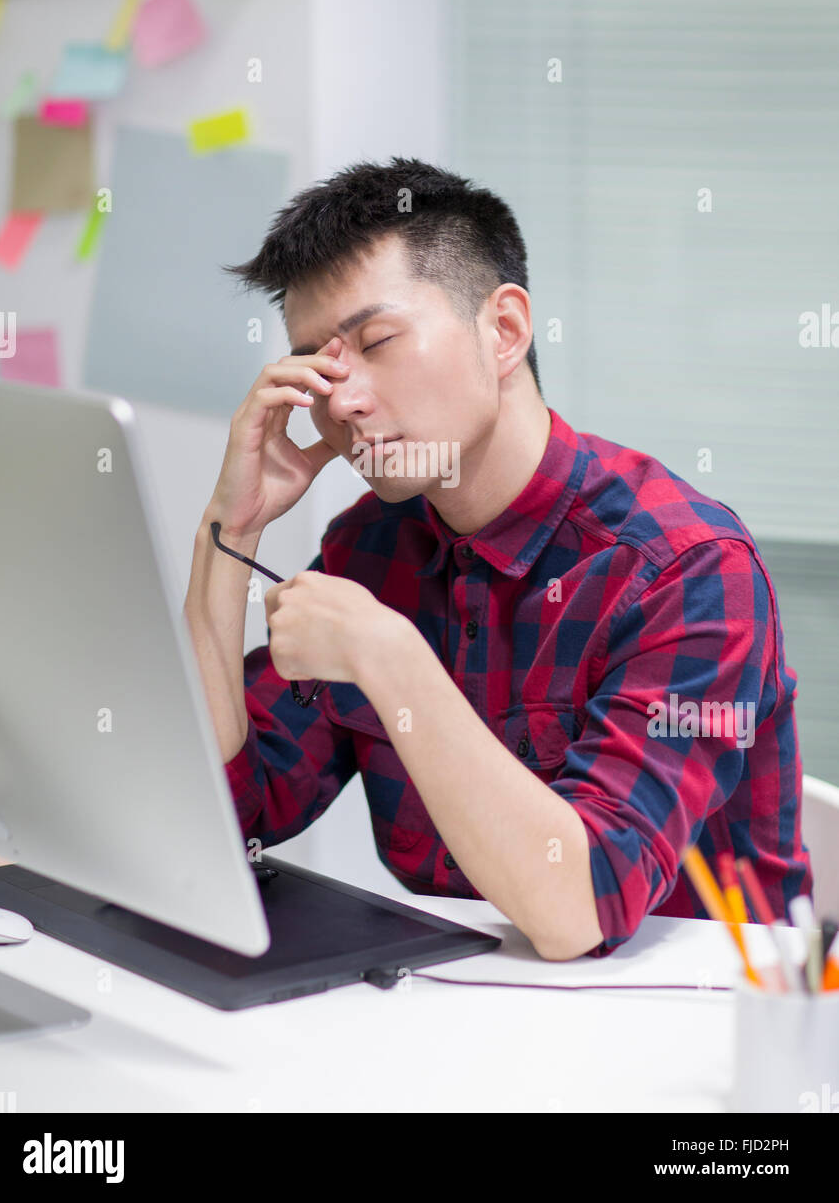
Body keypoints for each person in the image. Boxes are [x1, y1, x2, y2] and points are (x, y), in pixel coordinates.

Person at [182, 157, 813, 961]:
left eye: (377, 342)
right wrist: (227, 535)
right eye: (321, 367)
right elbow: (231, 813)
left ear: (505, 331)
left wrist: (391, 659)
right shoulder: (371, 545)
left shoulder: (687, 569)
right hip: (471, 1014)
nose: (341, 402)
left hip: (697, 1034)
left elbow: (580, 908)